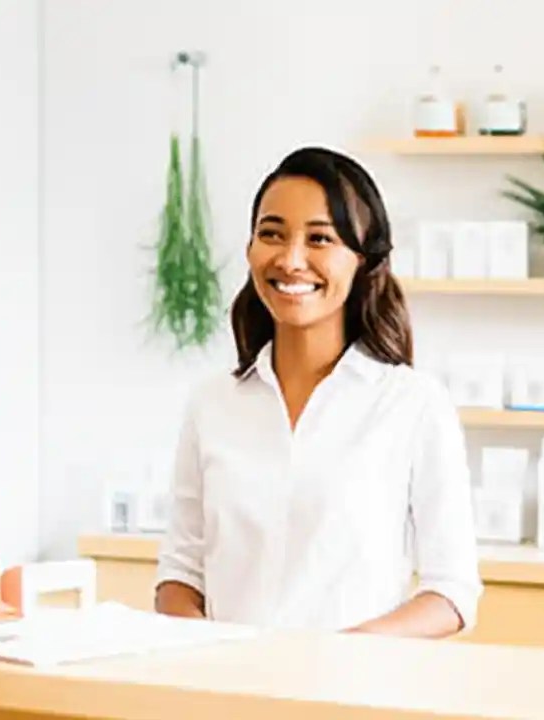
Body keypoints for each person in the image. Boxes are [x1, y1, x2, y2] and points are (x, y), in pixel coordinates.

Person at [155, 147, 482, 637]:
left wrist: (341, 655)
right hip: (226, 694)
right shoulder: (212, 403)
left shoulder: (413, 403)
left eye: (319, 239)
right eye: (272, 234)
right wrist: (211, 652)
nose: (290, 259)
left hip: (349, 696)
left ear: (363, 261)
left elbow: (452, 592)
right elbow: (180, 576)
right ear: (249, 250)